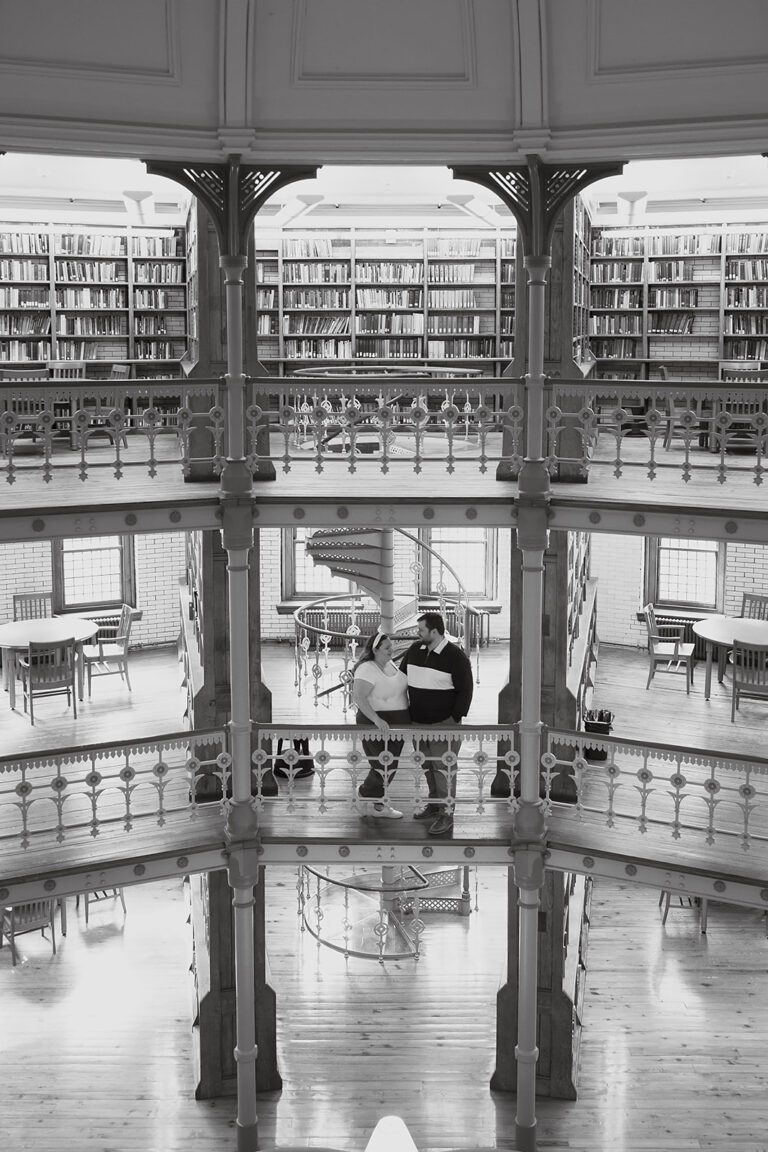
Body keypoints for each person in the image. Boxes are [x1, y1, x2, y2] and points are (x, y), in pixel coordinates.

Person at [399, 612, 473, 837]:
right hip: (418, 724)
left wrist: (451, 721)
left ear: (434, 631)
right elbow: (400, 679)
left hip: (444, 725)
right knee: (428, 767)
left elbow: (465, 692)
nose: (417, 633)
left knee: (444, 770)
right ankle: (434, 804)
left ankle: (446, 814)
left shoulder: (456, 657)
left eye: (421, 630)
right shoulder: (414, 651)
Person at [352, 629, 411, 819]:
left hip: (397, 724)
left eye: (391, 647)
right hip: (376, 724)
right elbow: (359, 697)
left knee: (390, 766)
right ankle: (364, 794)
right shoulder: (367, 668)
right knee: (382, 765)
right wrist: (376, 719)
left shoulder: (390, 664)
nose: (391, 650)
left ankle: (380, 806)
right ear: (375, 649)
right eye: (387, 647)